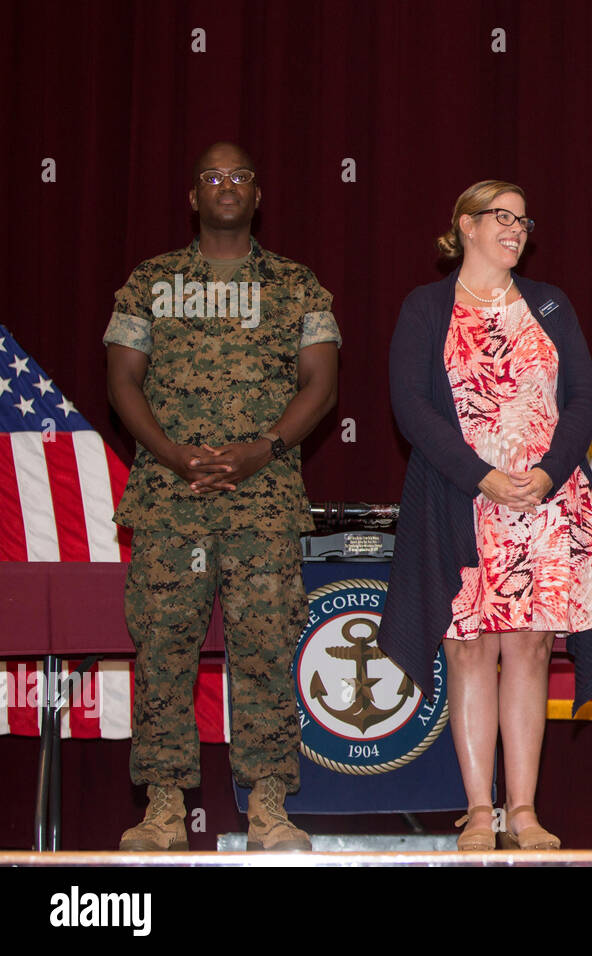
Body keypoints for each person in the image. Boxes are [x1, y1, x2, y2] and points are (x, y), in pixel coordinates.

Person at [105, 142, 340, 852]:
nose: (226, 186)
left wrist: (260, 450)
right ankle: (163, 811)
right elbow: (123, 381)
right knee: (164, 649)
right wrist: (175, 456)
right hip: (169, 499)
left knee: (266, 649)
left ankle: (268, 809)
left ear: (258, 194)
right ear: (193, 195)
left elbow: (320, 385)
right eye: (213, 176)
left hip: (261, 500)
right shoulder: (149, 281)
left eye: (239, 176)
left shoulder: (298, 286)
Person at [378, 181, 592, 851]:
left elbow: (580, 400)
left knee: (532, 649)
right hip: (463, 500)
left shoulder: (548, 303)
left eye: (522, 219)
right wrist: (482, 476)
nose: (515, 229)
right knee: (471, 649)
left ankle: (523, 810)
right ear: (465, 226)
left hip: (546, 500)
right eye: (500, 217)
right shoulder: (427, 308)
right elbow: (411, 409)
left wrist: (545, 473)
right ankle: (479, 811)